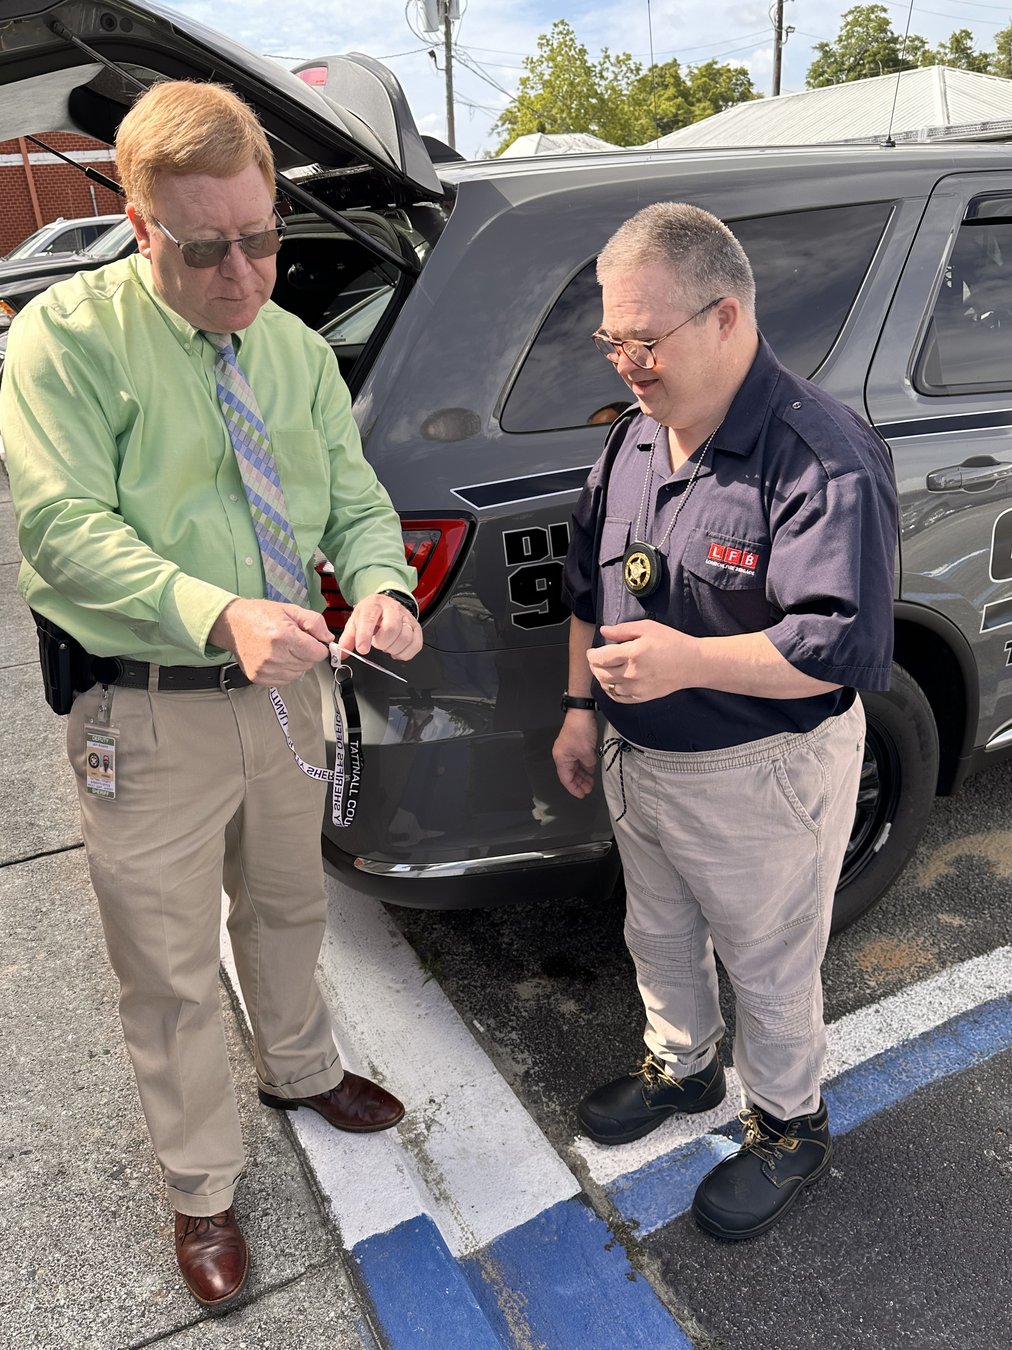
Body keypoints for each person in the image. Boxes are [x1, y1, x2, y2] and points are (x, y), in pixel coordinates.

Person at [1, 81, 423, 1308]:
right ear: (139, 223)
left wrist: (383, 580)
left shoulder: (288, 347)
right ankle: (201, 1186)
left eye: (262, 238)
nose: (244, 273)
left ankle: (298, 1070)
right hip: (150, 704)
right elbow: (64, 532)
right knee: (171, 963)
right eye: (207, 247)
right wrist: (219, 612)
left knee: (290, 907)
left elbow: (349, 496)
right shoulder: (66, 340)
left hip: (287, 692)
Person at [552, 203, 897, 1241]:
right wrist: (579, 709)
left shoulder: (817, 457)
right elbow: (588, 589)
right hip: (637, 759)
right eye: (613, 340)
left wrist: (691, 661)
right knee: (654, 933)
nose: (626, 363)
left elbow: (835, 647)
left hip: (761, 770)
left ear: (726, 317)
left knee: (769, 961)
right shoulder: (630, 446)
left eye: (644, 340)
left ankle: (789, 1123)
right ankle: (684, 1066)